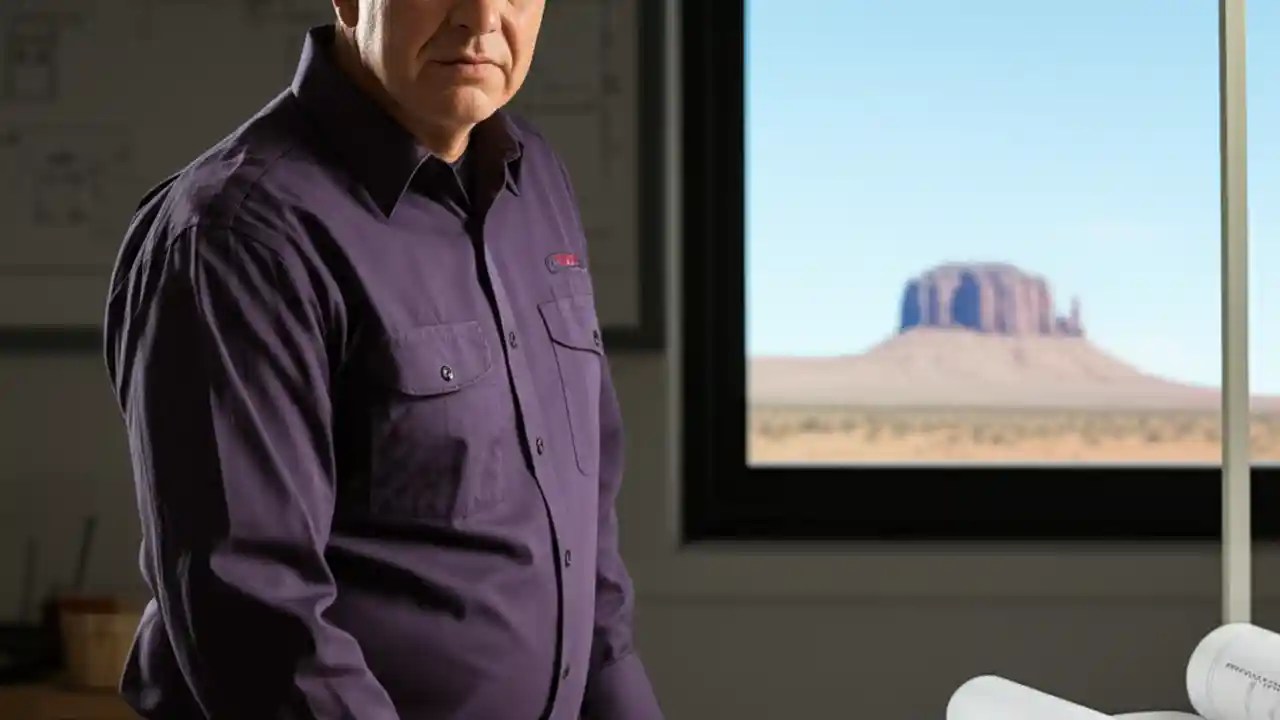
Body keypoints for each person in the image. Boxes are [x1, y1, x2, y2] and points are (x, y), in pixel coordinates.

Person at [101, 1, 662, 718]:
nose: (482, 17)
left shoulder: (538, 181)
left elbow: (585, 535)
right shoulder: (238, 235)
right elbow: (254, 612)